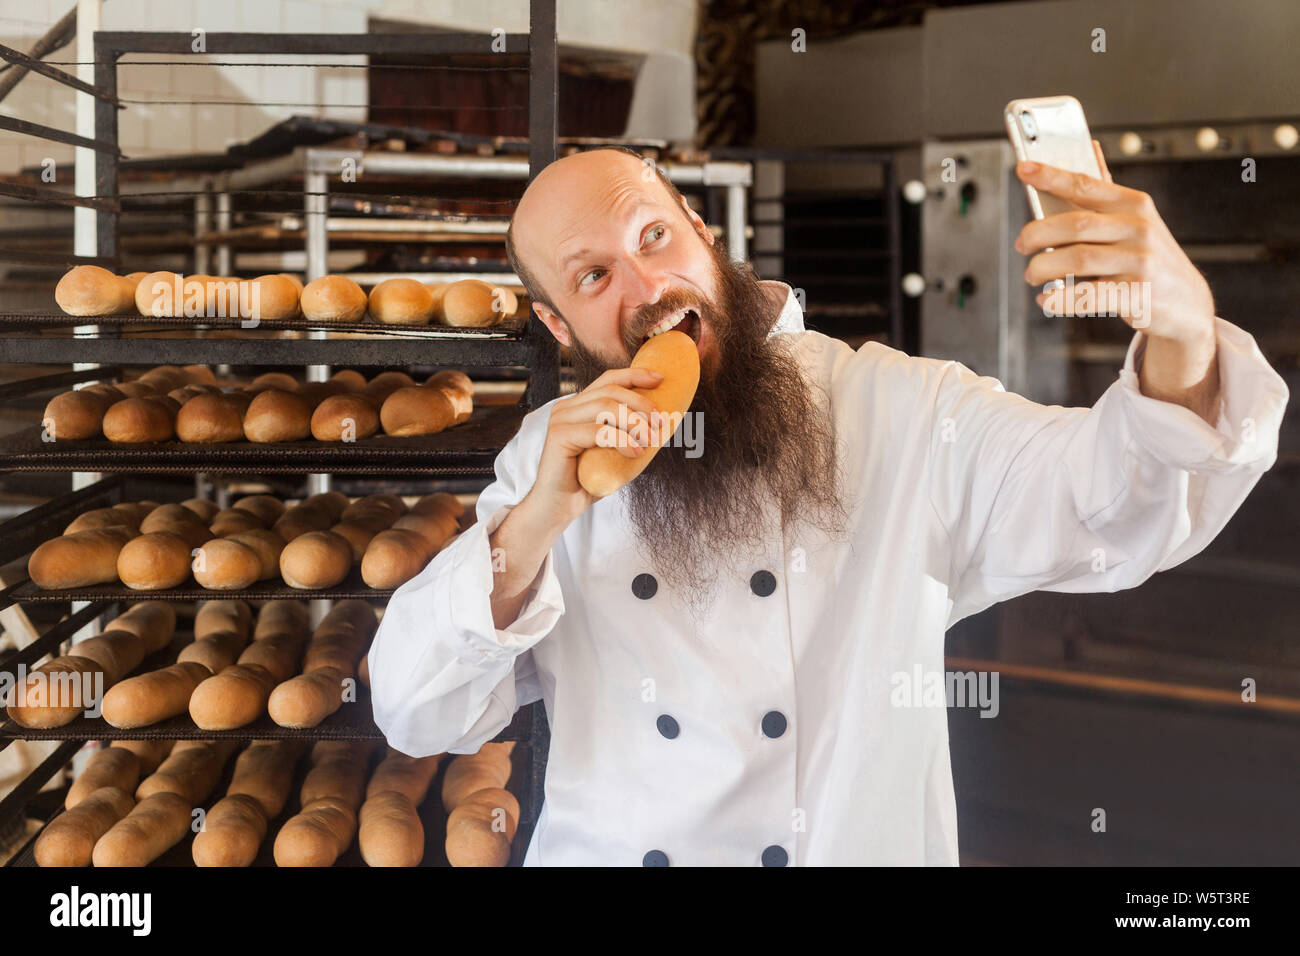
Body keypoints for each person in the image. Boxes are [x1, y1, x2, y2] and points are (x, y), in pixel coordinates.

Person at [368, 145, 1288, 865]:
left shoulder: (903, 409)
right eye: (593, 276)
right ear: (561, 329)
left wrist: (1181, 329)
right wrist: (536, 520)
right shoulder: (550, 460)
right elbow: (417, 715)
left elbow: (1119, 507)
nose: (650, 292)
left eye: (653, 238)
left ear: (701, 230)